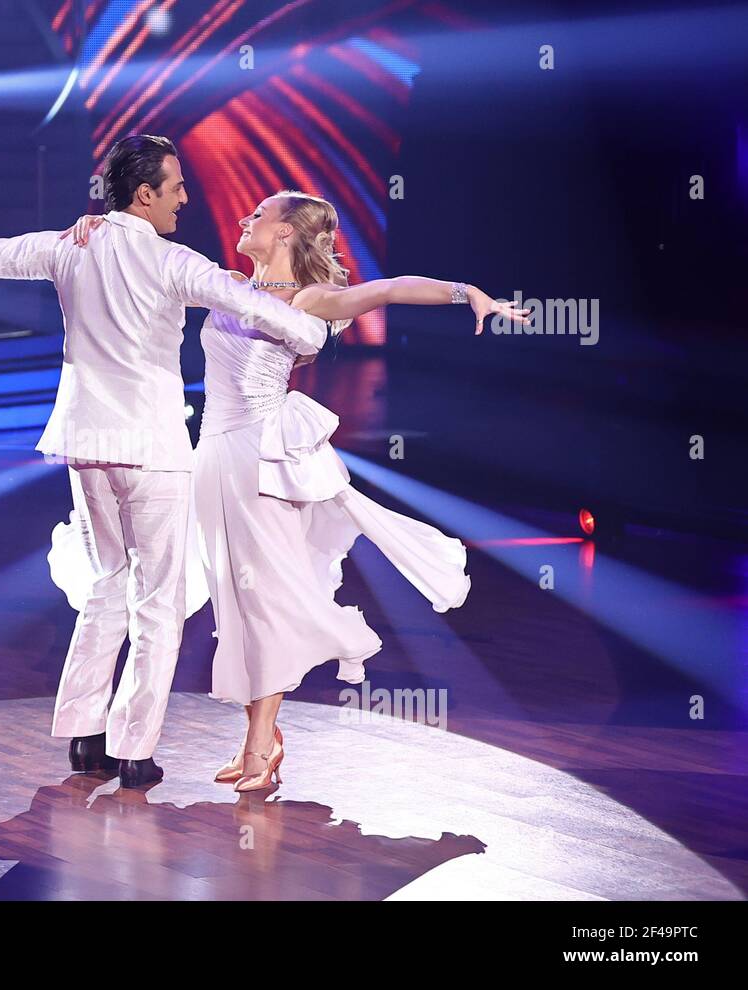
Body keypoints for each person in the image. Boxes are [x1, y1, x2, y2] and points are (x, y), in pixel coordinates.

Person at [0, 137, 332, 787]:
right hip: (151, 449)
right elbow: (251, 303)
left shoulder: (74, 244)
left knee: (105, 589)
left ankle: (83, 737)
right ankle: (135, 750)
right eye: (177, 185)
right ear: (144, 193)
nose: (186, 196)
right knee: (157, 601)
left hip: (88, 444)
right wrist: (309, 332)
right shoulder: (173, 260)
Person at [56, 192, 529, 791]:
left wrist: (468, 293)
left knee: (269, 598)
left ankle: (259, 744)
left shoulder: (311, 300)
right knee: (238, 601)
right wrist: (101, 224)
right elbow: (141, 258)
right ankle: (263, 737)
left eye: (257, 216)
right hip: (213, 458)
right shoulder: (226, 282)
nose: (242, 220)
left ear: (283, 235)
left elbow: (390, 288)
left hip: (266, 459)